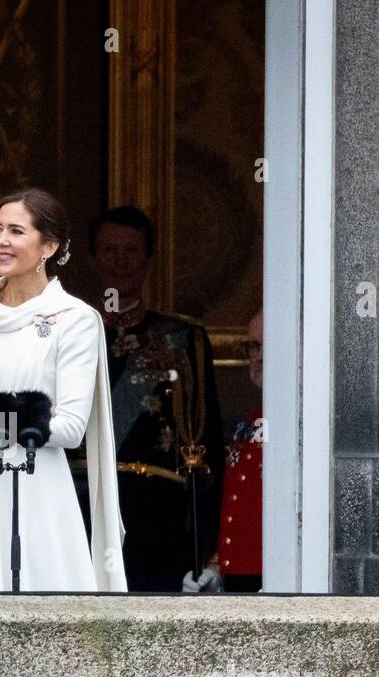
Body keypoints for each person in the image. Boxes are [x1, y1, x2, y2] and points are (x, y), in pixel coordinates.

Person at [0, 189, 126, 592]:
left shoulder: (76, 319)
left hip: (39, 488)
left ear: (48, 246)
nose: (1, 240)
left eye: (16, 231)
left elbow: (70, 428)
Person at [84, 205, 225, 592]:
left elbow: (205, 443)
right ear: (94, 259)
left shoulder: (183, 337)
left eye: (131, 251)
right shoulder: (68, 330)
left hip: (158, 516)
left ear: (148, 261)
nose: (120, 260)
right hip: (83, 507)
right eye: (110, 250)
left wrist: (207, 544)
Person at [186, 309, 263, 593]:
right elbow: (239, 505)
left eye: (270, 345)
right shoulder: (251, 420)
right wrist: (217, 569)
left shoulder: (306, 423)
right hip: (242, 582)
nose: (260, 356)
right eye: (253, 346)